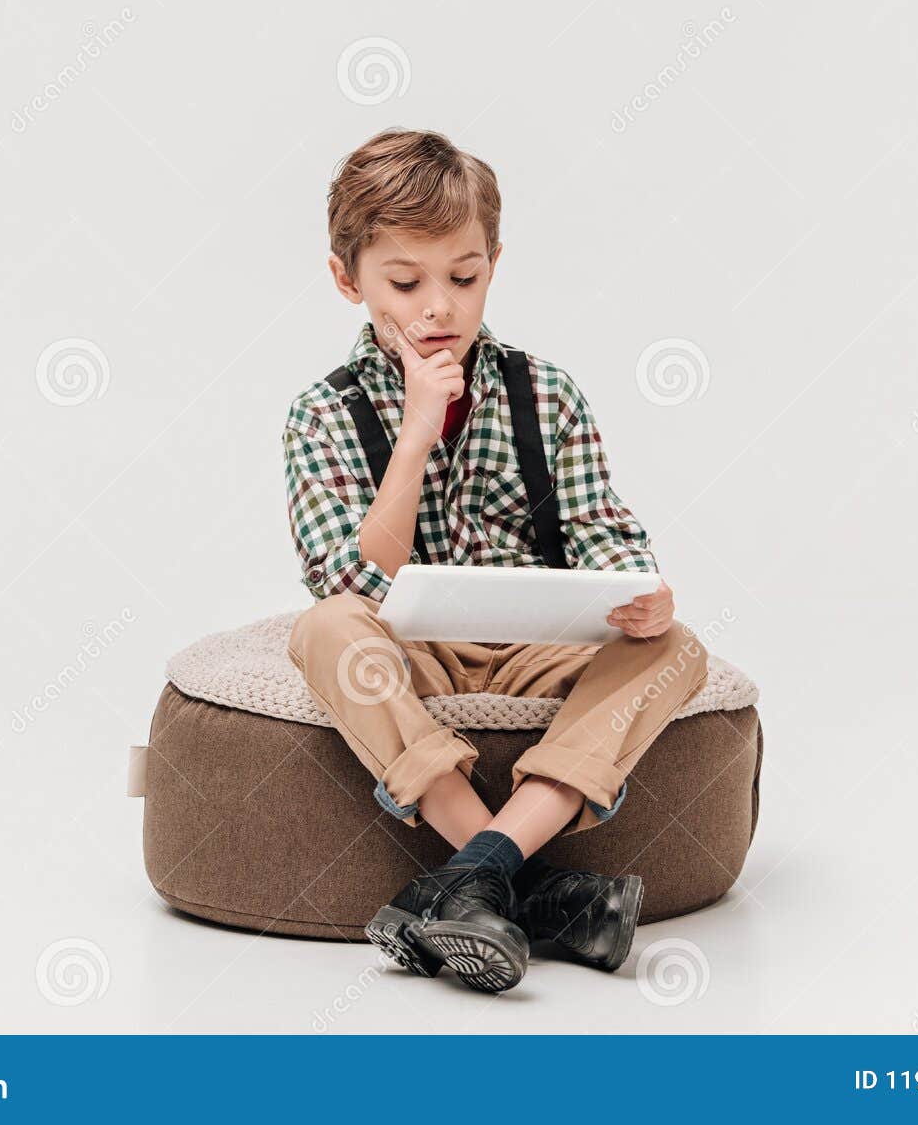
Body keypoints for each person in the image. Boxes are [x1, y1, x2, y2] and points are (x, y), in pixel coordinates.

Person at [283, 128, 708, 993]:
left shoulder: (544, 392)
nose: (437, 307)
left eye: (464, 278)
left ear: (493, 265)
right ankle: (538, 888)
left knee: (680, 649)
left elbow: (605, 534)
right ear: (347, 279)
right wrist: (411, 440)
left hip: (537, 653)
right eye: (405, 283)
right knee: (325, 628)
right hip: (411, 662)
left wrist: (643, 596)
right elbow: (351, 585)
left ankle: (472, 874)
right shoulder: (319, 416)